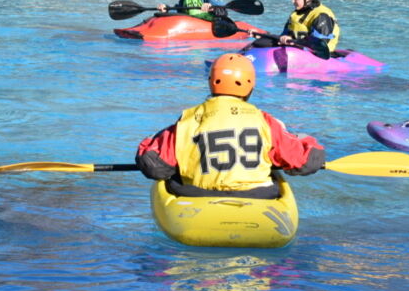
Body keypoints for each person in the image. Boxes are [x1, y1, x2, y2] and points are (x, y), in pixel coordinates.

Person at [135, 53, 325, 198]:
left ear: (212, 82)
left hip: (198, 195)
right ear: (250, 85)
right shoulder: (265, 121)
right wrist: (308, 142)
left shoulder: (188, 120)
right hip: (257, 197)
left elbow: (154, 166)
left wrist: (149, 143)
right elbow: (306, 161)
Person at [276, 0, 340, 59]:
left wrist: (295, 42)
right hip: (298, 50)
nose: (292, 1)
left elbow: (320, 44)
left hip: (320, 56)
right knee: (261, 43)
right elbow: (285, 34)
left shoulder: (321, 15)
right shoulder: (296, 14)